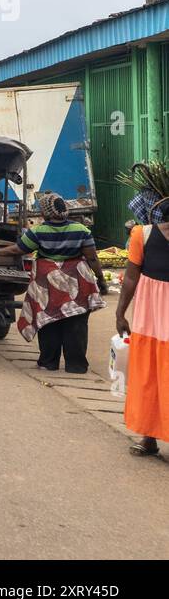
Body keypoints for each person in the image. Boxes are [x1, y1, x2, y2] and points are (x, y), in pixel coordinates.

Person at [0, 193, 105, 373]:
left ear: (46, 212)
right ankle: (76, 365)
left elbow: (18, 249)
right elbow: (92, 257)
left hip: (48, 283)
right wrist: (100, 278)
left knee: (48, 321)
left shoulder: (38, 231)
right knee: (76, 324)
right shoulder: (81, 230)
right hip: (77, 282)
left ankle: (49, 362)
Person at [115, 188, 169, 456]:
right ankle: (149, 437)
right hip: (149, 320)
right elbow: (131, 277)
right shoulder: (142, 235)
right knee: (148, 376)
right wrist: (120, 313)